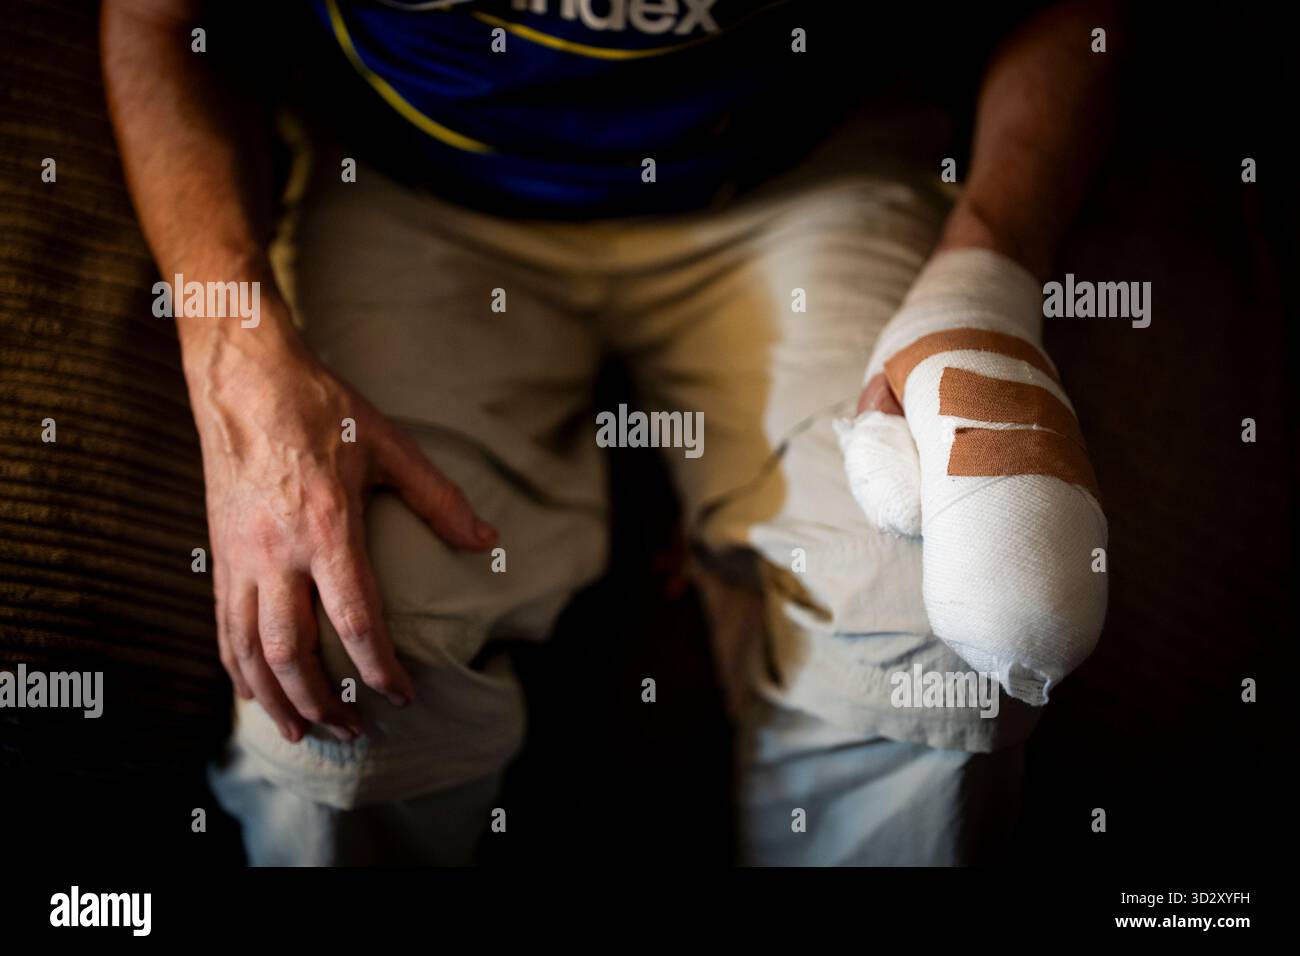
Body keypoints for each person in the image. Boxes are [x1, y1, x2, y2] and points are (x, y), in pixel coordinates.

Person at [102, 0, 1118, 865]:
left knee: (935, 656)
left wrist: (986, 267)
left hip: (800, 168)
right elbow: (159, 18)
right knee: (339, 684)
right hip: (412, 187)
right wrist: (229, 348)